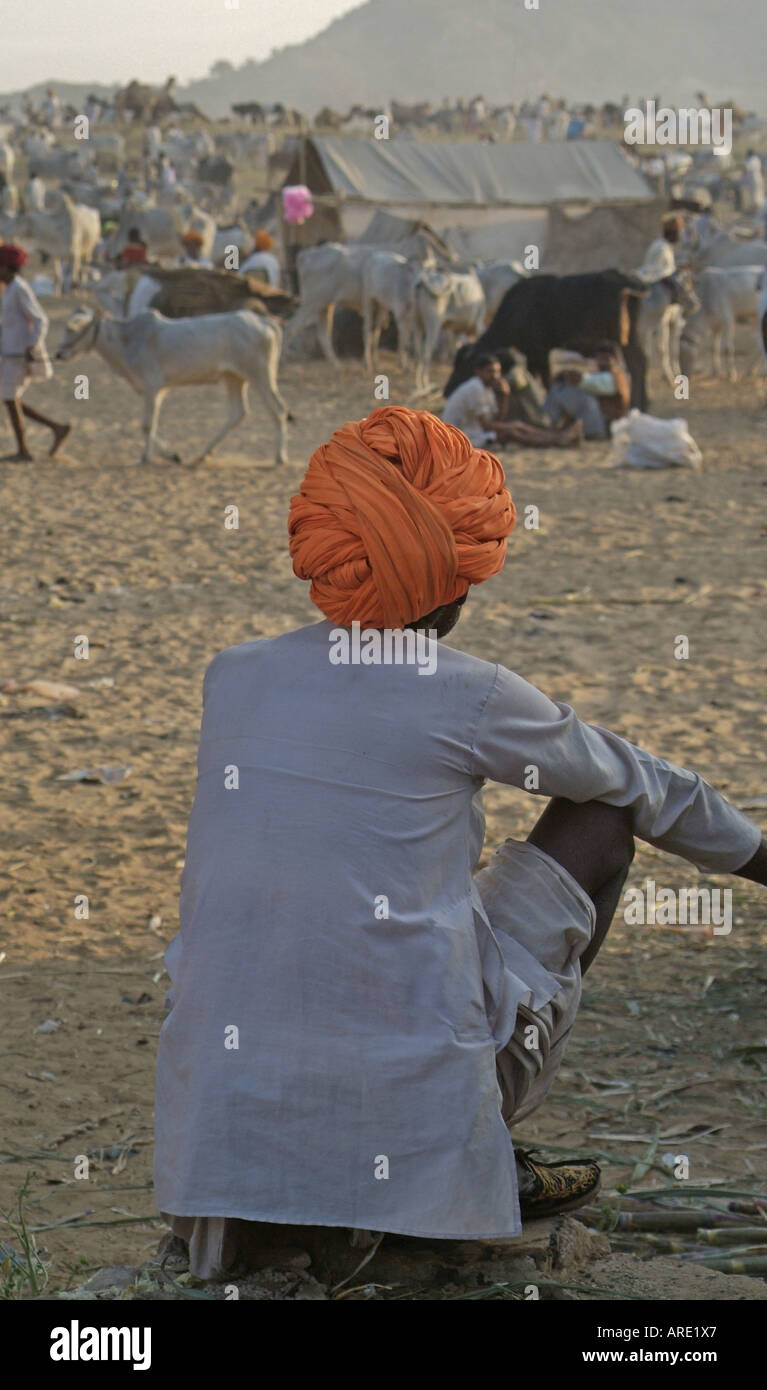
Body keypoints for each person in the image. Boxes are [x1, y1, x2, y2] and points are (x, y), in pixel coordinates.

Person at [152, 404, 766, 1281]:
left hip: (218, 1138)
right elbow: (641, 782)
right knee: (597, 819)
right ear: (459, 577)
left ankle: (327, 1205)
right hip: (405, 1105)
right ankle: (453, 1157)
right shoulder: (465, 692)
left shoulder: (234, 676)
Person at [0, 242, 71, 462]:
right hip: (9, 353)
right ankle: (57, 428)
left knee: (11, 400)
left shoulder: (20, 289)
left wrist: (31, 345)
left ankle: (24, 451)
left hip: (18, 355)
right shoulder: (9, 289)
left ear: (7, 267)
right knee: (11, 399)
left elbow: (41, 320)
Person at [442, 353, 582, 449]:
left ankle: (556, 437)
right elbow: (486, 425)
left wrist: (505, 396)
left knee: (515, 427)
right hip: (460, 437)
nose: (495, 376)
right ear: (478, 372)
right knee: (512, 431)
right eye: (490, 371)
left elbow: (497, 419)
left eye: (497, 372)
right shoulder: (475, 388)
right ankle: (557, 439)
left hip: (473, 431)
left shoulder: (486, 387)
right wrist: (512, 426)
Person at [543, 350, 611, 440]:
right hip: (596, 429)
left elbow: (568, 413)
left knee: (558, 392)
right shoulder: (592, 381)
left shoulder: (609, 377)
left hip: (593, 431)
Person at [635, 213, 684, 285]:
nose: (680, 235)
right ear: (673, 232)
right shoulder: (662, 248)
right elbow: (657, 274)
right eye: (678, 231)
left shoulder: (663, 245)